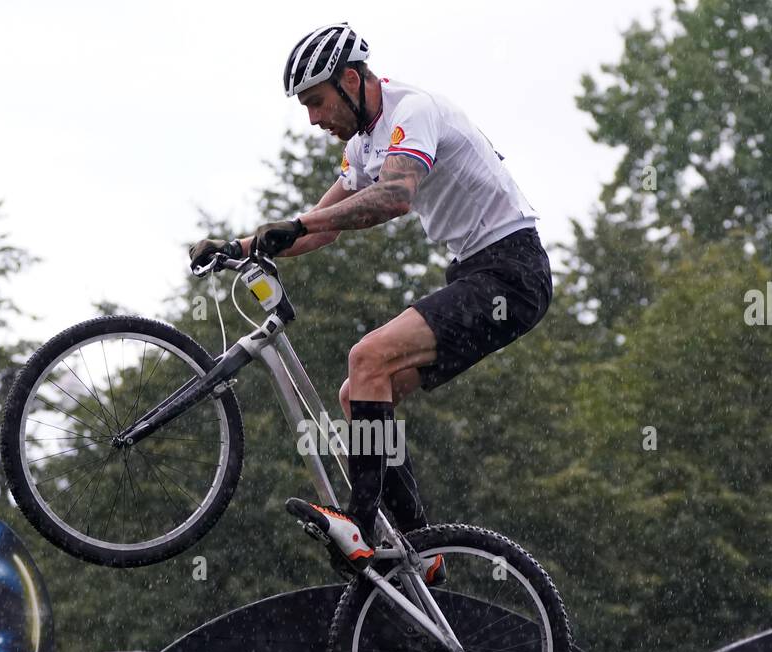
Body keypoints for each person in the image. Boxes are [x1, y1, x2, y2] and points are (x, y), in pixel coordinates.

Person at [190, 23, 552, 578]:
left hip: (512, 271)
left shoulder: (414, 110)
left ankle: (358, 521)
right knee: (358, 391)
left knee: (367, 357)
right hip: (477, 272)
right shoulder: (362, 143)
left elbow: (396, 196)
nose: (313, 119)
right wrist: (238, 247)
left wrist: (297, 223)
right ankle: (420, 548)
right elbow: (317, 229)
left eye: (317, 102)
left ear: (353, 80)